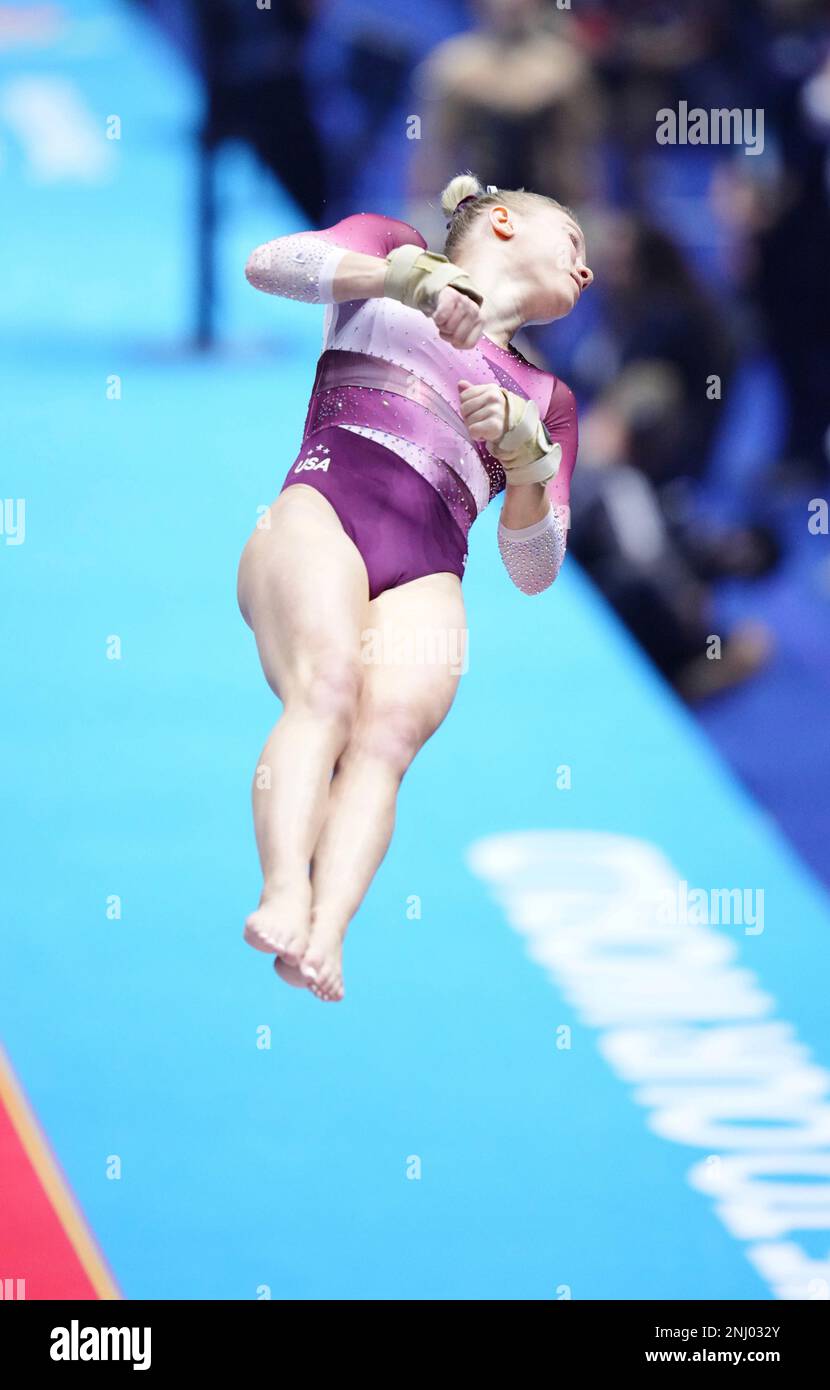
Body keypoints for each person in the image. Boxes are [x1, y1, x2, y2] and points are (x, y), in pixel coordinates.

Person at [237, 173, 592, 1001]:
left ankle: (325, 933)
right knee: (324, 690)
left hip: (428, 565)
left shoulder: (549, 398)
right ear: (503, 222)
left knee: (385, 739)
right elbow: (269, 264)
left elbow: (534, 570)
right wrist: (402, 278)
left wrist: (529, 461)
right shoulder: (392, 244)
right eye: (575, 247)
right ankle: (286, 888)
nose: (586, 273)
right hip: (324, 507)